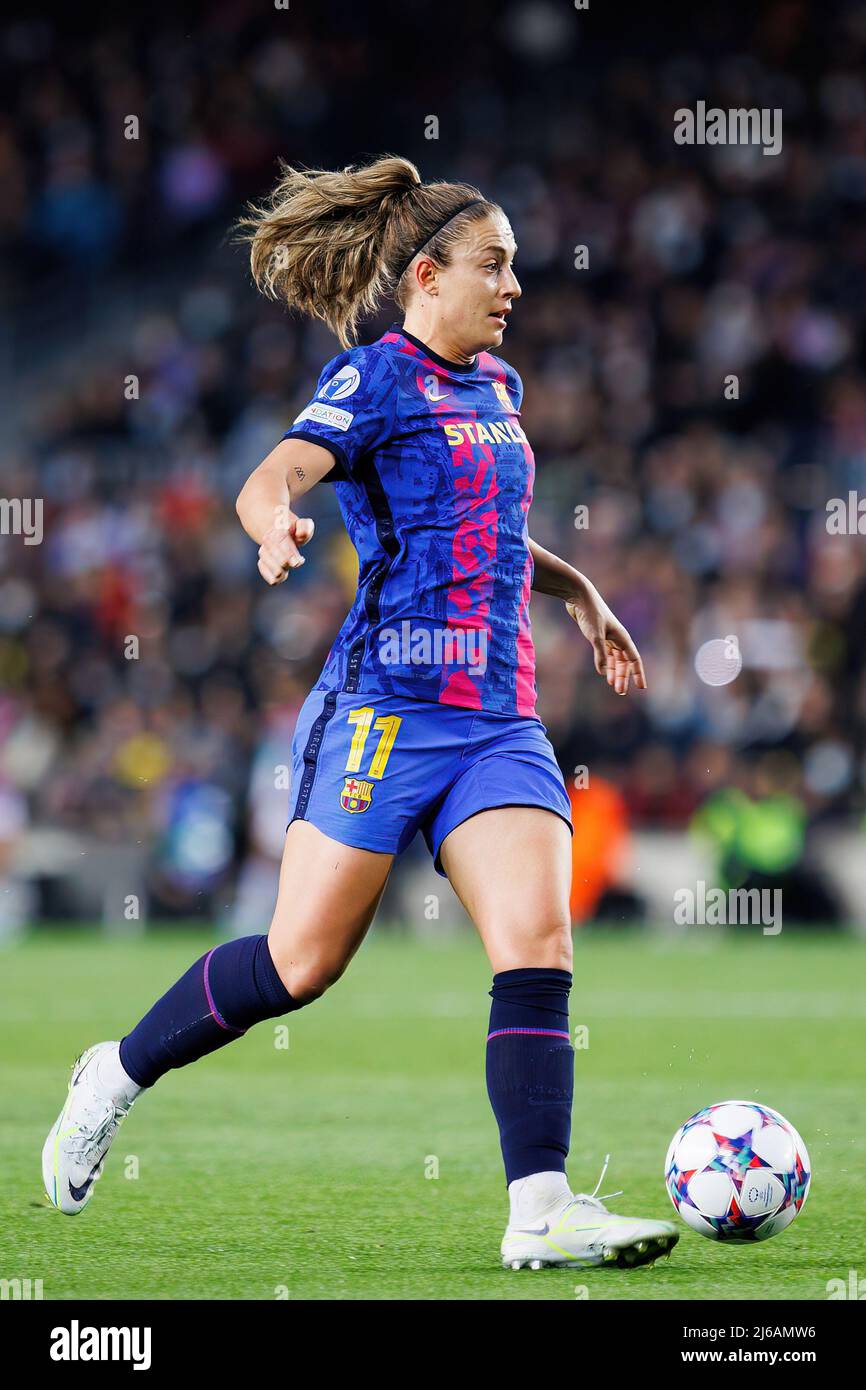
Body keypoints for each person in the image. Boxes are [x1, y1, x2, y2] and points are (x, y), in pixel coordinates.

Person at [43, 155, 678, 1271]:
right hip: (383, 709)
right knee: (301, 963)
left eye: (517, 268)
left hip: (495, 716)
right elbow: (274, 473)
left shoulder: (500, 391)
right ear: (425, 276)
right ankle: (117, 1071)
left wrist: (576, 589)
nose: (513, 287)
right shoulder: (371, 382)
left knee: (535, 942)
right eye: (494, 265)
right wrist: (271, 523)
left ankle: (538, 1210)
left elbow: (479, 531)